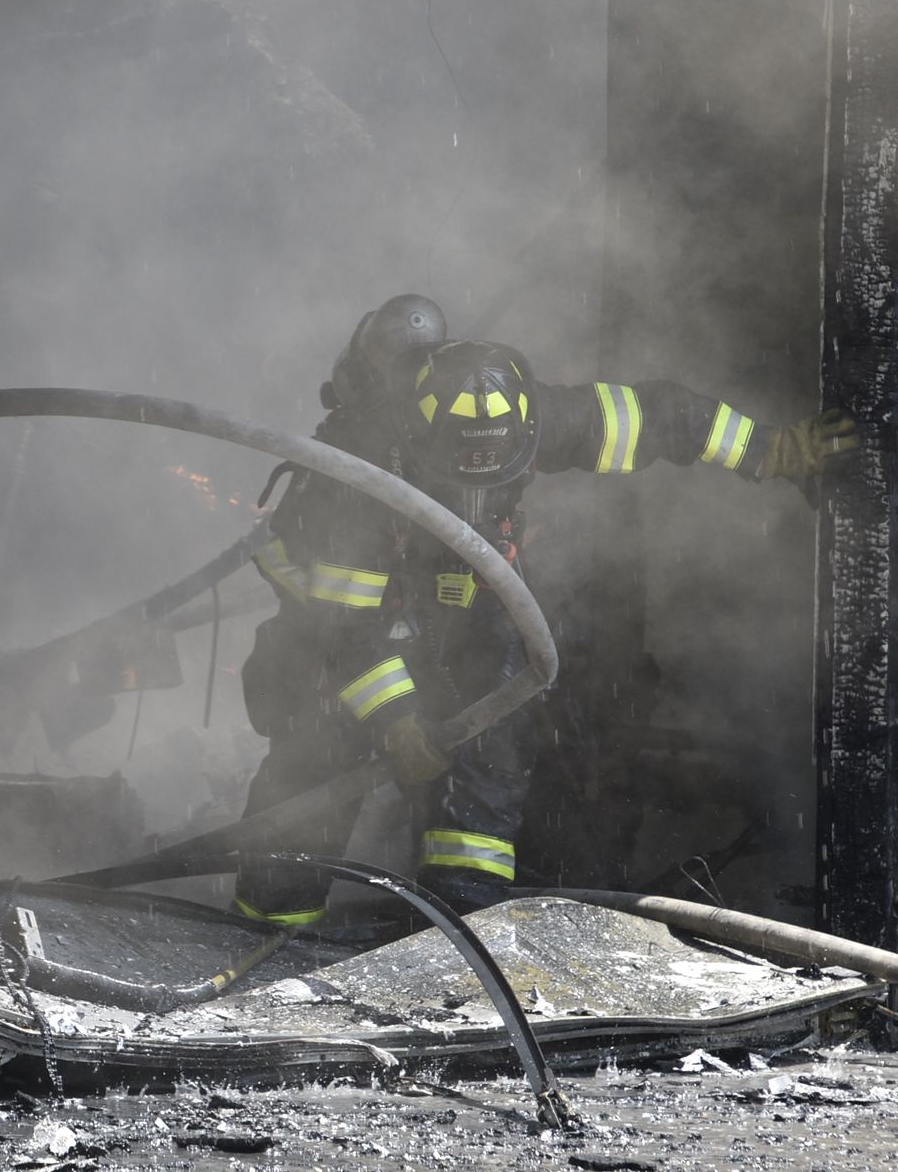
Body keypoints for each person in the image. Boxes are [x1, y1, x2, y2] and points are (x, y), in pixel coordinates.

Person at [234, 294, 858, 923]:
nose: (474, 500)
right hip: (342, 620)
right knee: (314, 754)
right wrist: (397, 719)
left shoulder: (533, 415)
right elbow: (347, 634)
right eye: (458, 481)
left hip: (472, 606)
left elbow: (664, 416)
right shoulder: (357, 476)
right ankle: (262, 931)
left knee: (490, 763)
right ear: (418, 442)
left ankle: (459, 942)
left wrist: (770, 450)